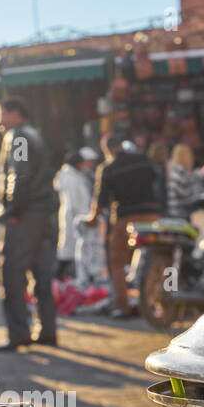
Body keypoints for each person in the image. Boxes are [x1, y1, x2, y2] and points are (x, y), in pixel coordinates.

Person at [0, 97, 59, 350]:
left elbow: (20, 175)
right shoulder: (34, 135)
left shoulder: (18, 138)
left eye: (0, 115)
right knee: (41, 274)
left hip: (25, 215)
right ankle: (47, 330)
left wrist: (13, 210)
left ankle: (19, 333)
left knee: (11, 273)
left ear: (13, 113)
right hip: (41, 215)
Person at [84, 132, 160, 319]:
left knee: (117, 262)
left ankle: (123, 306)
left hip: (126, 219)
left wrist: (92, 219)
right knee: (156, 259)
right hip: (152, 215)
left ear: (107, 149)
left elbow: (100, 200)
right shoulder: (143, 159)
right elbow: (156, 180)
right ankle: (154, 303)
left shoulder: (107, 168)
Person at [55, 149, 95, 279]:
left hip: (76, 216)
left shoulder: (75, 175)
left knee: (72, 248)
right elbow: (76, 202)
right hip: (75, 217)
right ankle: (59, 276)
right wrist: (87, 215)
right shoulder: (70, 178)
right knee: (69, 249)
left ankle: (66, 276)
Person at [165, 144, 201, 219]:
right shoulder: (179, 170)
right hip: (178, 213)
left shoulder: (178, 170)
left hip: (179, 211)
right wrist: (196, 179)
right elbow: (184, 193)